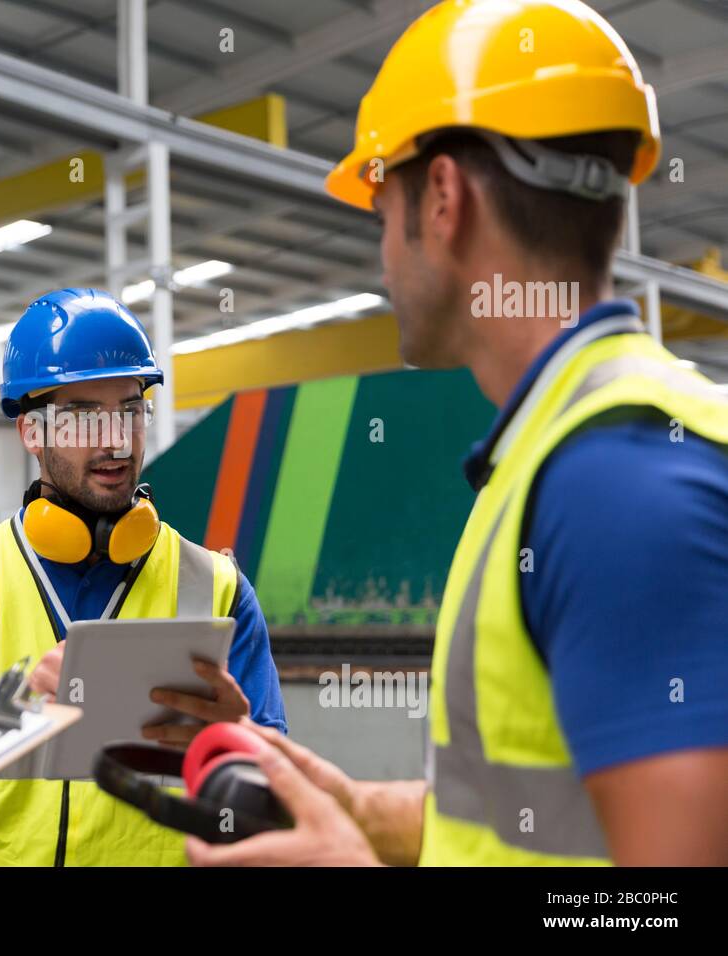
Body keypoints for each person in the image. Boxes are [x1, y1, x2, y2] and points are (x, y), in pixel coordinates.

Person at [190, 0, 728, 867]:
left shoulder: (615, 483)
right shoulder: (561, 455)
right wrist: (343, 804)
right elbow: (523, 823)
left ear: (442, 198)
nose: (383, 262)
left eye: (380, 214)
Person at [0, 288, 287, 865]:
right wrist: (8, 713)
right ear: (31, 432)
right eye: (80, 415)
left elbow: (273, 786)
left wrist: (240, 740)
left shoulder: (217, 586)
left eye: (129, 408)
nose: (115, 438)